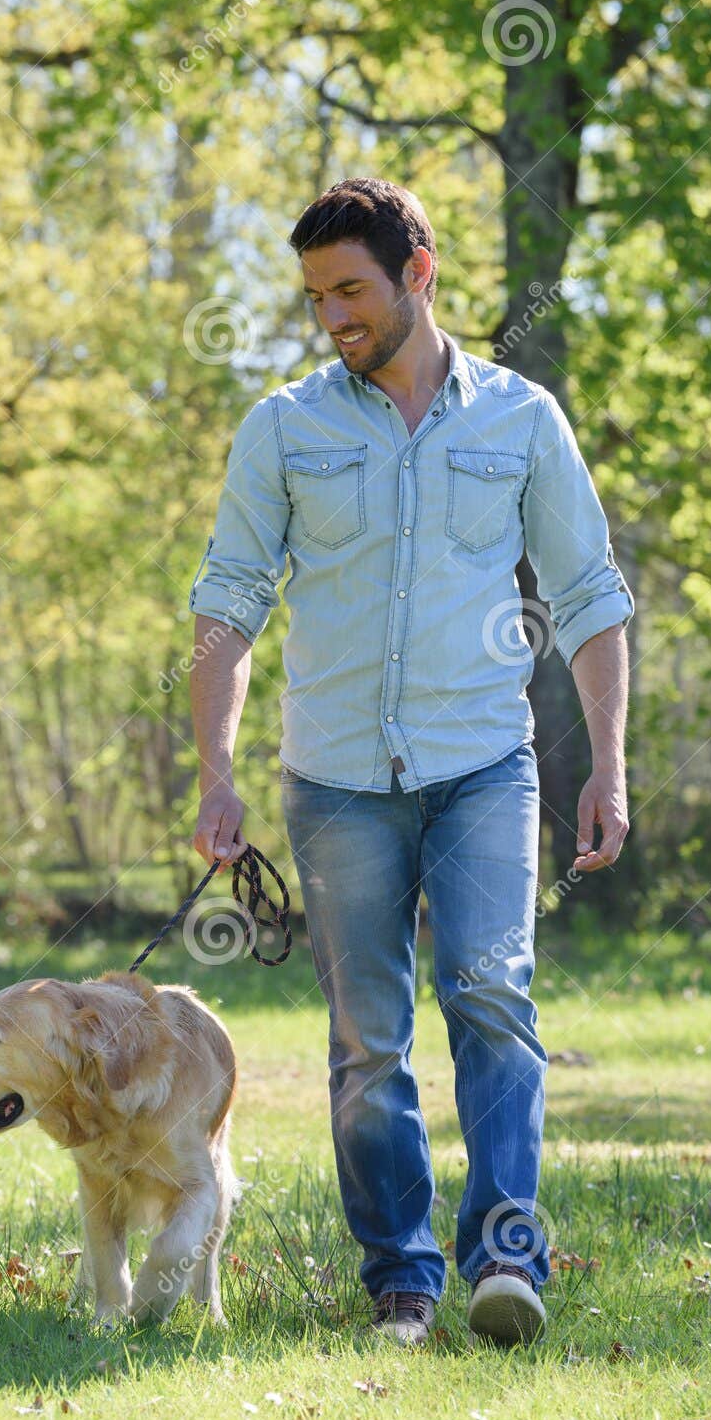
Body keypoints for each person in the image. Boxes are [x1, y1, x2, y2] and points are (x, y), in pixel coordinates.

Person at [187, 177, 633, 1347]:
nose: (332, 316)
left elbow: (589, 595)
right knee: (366, 1040)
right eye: (315, 296)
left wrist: (609, 764)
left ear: (418, 274)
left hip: (483, 763)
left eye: (351, 290)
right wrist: (217, 772)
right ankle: (401, 1280)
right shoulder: (284, 427)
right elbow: (229, 604)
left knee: (492, 996)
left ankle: (506, 1259)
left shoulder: (521, 419)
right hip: (336, 780)